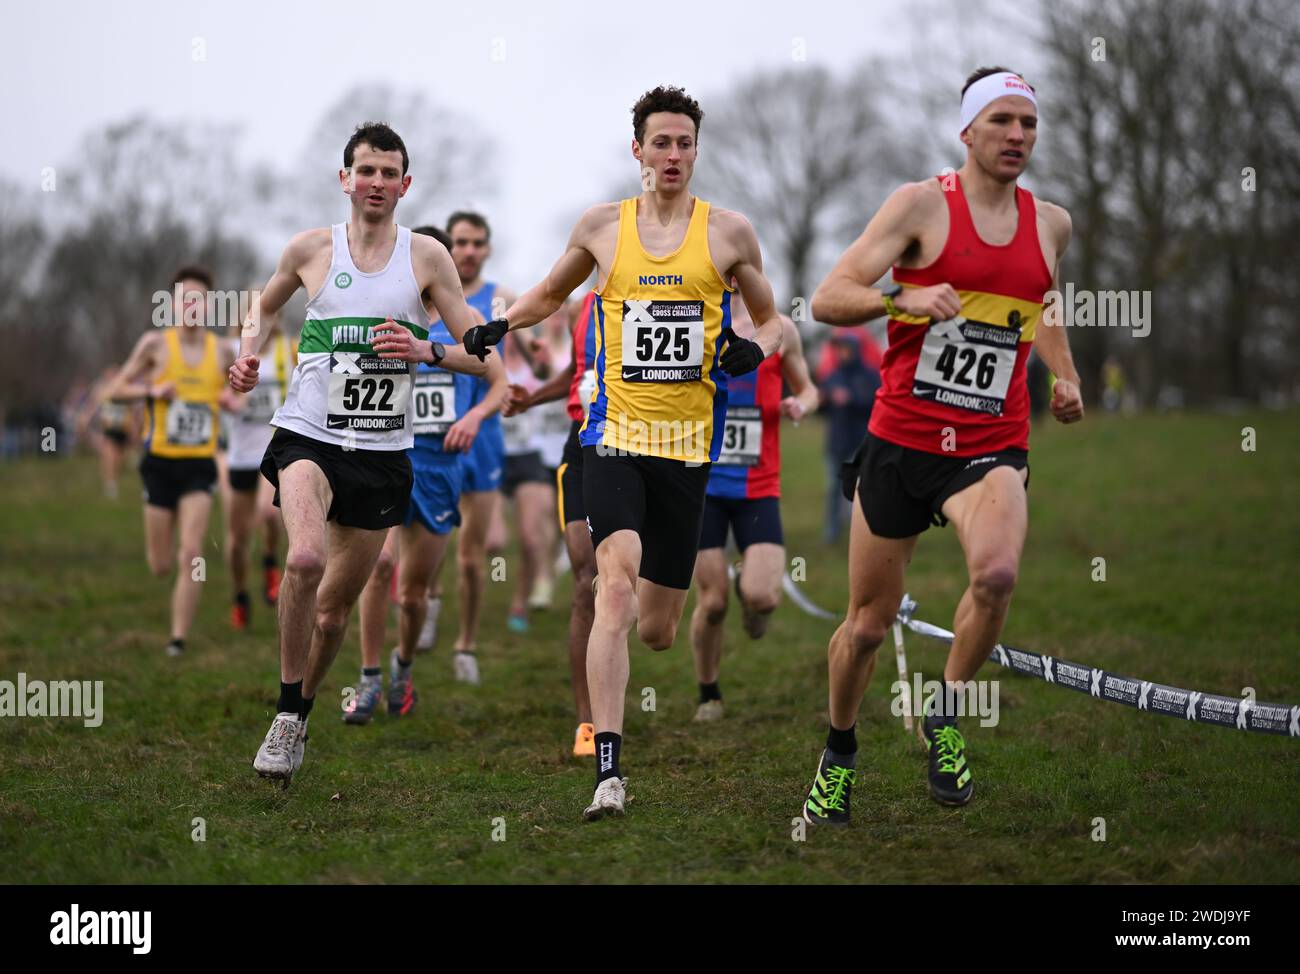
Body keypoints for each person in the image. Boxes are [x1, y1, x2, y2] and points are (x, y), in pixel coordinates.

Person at [463, 85, 784, 820]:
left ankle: (672, 640)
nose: (672, 155)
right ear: (635, 150)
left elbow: (772, 325)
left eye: (684, 143)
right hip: (612, 438)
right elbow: (548, 293)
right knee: (611, 586)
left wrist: (747, 350)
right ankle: (608, 766)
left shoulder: (730, 234)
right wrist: (494, 327)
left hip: (687, 449)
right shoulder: (603, 228)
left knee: (658, 630)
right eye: (660, 143)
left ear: (697, 151)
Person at [800, 68, 1084, 826]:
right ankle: (840, 751)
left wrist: (1064, 373)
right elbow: (829, 297)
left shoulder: (1050, 222)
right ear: (967, 131)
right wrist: (904, 296)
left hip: (990, 444)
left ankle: (946, 715)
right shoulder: (921, 206)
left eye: (1028, 122)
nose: (1017, 135)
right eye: (1001, 121)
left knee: (995, 575)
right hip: (901, 439)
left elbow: (1040, 302)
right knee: (866, 624)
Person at [228, 122, 487, 785]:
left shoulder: (427, 257)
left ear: (406, 184)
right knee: (306, 557)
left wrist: (426, 348)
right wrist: (247, 356)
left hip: (382, 453)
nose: (376, 182)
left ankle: (304, 707)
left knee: (334, 612)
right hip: (309, 434)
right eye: (364, 170)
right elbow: (260, 310)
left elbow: (474, 348)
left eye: (388, 172)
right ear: (345, 179)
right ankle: (285, 716)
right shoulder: (310, 249)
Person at [347, 225, 506, 724]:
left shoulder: (469, 320)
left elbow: (499, 384)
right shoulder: (390, 315)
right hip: (390, 457)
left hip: (440, 469)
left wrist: (474, 418)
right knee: (379, 568)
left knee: (414, 594)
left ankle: (403, 667)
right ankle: (369, 678)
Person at [689, 294, 818, 720]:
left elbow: (809, 388)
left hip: (758, 487)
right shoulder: (694, 321)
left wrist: (800, 404)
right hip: (702, 484)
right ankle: (709, 693)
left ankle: (753, 596)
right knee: (712, 601)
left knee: (762, 597)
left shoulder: (779, 328)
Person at [108, 266, 236, 657]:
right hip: (160, 463)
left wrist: (235, 400)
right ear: (174, 304)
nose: (194, 305)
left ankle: (177, 638)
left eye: (201, 298)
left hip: (200, 464)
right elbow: (115, 390)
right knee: (161, 563)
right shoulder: (155, 345)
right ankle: (167, 579)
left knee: (191, 552)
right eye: (187, 298)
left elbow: (244, 396)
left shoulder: (222, 351)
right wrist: (151, 390)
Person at [502, 291, 598, 756]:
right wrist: (534, 399)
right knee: (586, 581)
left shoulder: (670, 297)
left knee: (653, 621)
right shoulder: (586, 307)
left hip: (646, 454)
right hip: (582, 451)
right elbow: (577, 372)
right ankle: (588, 722)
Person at [442, 211, 514, 684]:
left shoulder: (499, 300)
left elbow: (517, 357)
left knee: (471, 555)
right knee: (417, 550)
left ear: (487, 249)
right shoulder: (424, 294)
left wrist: (535, 373)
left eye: (477, 243)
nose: (469, 251)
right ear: (447, 247)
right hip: (423, 440)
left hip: (482, 441)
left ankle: (465, 643)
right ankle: (421, 608)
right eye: (461, 242)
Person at [223, 307, 296, 629]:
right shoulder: (229, 352)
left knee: (268, 513)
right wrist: (225, 399)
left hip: (272, 449)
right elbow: (204, 389)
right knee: (238, 539)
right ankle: (240, 594)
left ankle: (269, 561)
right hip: (238, 453)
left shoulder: (287, 350)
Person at [820, 333, 880, 544]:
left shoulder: (870, 375)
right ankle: (832, 531)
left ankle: (862, 534)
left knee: (860, 491)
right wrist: (823, 401)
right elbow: (823, 409)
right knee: (833, 489)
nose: (841, 352)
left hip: (859, 443)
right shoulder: (832, 375)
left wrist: (850, 399)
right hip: (836, 443)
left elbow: (876, 404)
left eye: (845, 347)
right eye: (839, 348)